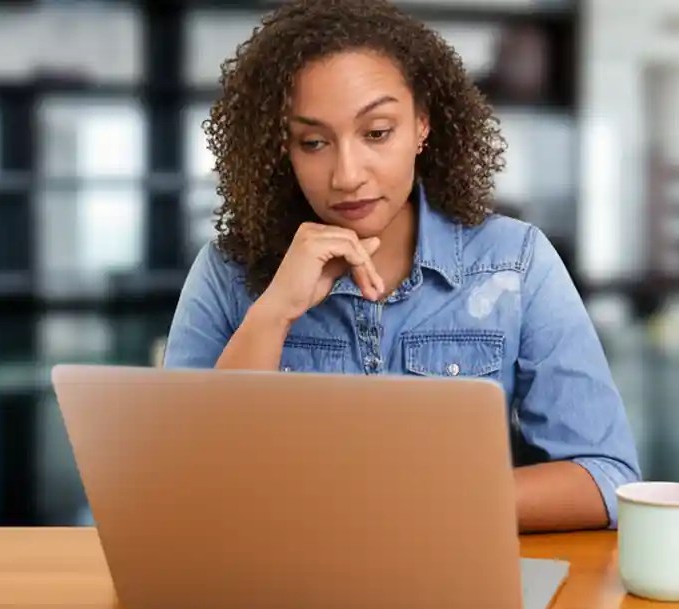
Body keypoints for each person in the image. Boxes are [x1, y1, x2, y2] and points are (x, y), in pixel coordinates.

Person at [161, 0, 641, 533]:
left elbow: (607, 479)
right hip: (277, 589)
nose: (346, 174)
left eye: (377, 132)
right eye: (314, 142)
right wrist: (273, 312)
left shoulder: (513, 263)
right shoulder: (227, 274)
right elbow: (182, 490)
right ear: (283, 151)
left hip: (454, 580)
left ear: (421, 126)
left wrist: (415, 501)